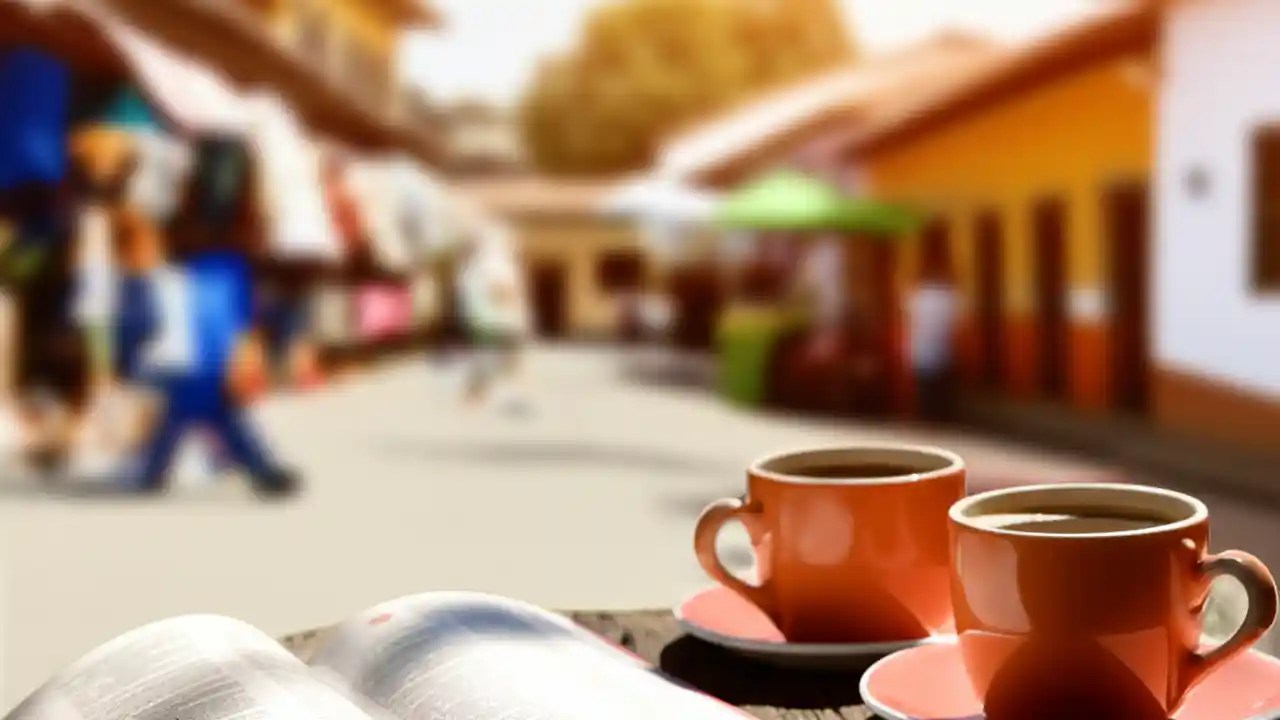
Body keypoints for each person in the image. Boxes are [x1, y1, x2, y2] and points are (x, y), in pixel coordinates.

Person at [128, 138, 297, 496]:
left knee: (196, 394)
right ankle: (260, 467)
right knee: (206, 393)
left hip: (205, 298)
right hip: (216, 300)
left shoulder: (186, 217)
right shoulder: (243, 220)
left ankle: (154, 469)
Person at [456, 223, 530, 412]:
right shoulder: (495, 263)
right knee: (506, 360)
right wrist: (516, 303)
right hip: (501, 320)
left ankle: (475, 396)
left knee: (488, 358)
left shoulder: (472, 267)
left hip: (481, 319)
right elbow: (501, 289)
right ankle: (509, 398)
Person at [908, 243, 959, 423]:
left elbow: (911, 317)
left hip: (921, 352)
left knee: (925, 398)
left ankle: (928, 426)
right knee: (942, 397)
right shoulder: (949, 296)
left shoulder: (918, 296)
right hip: (942, 352)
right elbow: (955, 322)